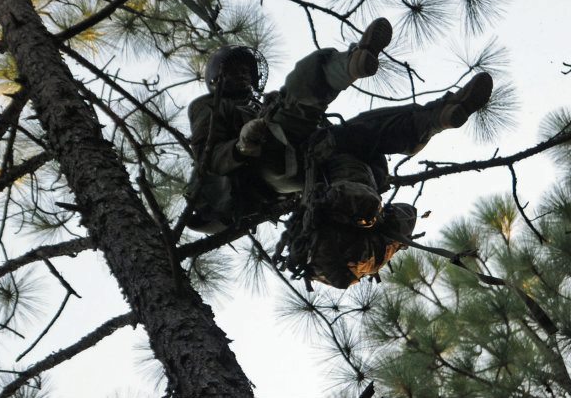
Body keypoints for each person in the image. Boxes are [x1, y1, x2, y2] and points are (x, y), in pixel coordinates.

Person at [186, 18, 494, 288]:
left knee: (361, 133)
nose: (241, 76)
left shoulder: (261, 103)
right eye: (233, 70)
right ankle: (349, 65)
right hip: (263, 171)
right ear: (217, 78)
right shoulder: (209, 106)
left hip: (304, 163)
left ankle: (440, 115)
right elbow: (206, 158)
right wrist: (241, 146)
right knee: (296, 104)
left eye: (245, 70)